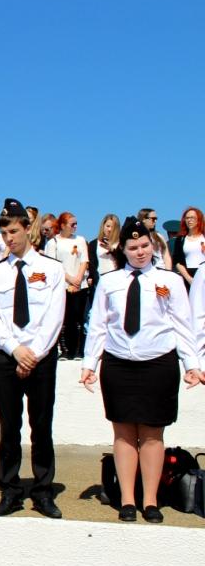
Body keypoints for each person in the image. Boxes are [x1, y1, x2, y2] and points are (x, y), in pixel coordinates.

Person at [80, 216, 202, 523]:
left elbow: (182, 325)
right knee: (122, 433)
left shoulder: (170, 280)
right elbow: (97, 327)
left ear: (153, 246)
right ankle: (128, 500)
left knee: (152, 434)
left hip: (158, 364)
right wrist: (89, 364)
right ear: (125, 249)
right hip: (119, 364)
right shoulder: (110, 282)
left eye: (145, 245)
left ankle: (151, 500)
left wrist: (192, 365)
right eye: (133, 247)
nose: (140, 252)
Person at [0, 199, 66, 519]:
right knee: (9, 426)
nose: (9, 238)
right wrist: (15, 349)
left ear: (28, 228)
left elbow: (54, 317)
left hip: (41, 358)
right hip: (6, 357)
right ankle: (10, 491)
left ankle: (43, 492)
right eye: (4, 233)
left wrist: (33, 353)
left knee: (41, 426)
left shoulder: (52, 268)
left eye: (14, 231)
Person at [44, 212, 89, 359]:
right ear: (62, 225)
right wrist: (69, 278)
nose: (75, 227)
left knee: (78, 319)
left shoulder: (81, 240)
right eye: (72, 224)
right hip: (62, 284)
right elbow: (53, 265)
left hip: (79, 284)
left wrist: (78, 279)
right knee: (64, 318)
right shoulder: (53, 243)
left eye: (76, 224)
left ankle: (78, 350)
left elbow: (84, 261)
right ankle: (65, 350)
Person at [170, 207, 204, 289]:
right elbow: (177, 261)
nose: (189, 220)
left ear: (199, 219)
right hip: (189, 275)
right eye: (187, 218)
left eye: (192, 217)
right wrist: (189, 278)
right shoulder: (180, 239)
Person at [87, 214, 120, 292]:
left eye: (113, 227)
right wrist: (91, 277)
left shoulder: (121, 243)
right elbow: (92, 263)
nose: (110, 229)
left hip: (117, 279)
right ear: (103, 226)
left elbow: (125, 260)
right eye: (108, 226)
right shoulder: (94, 244)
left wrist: (112, 250)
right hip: (100, 279)